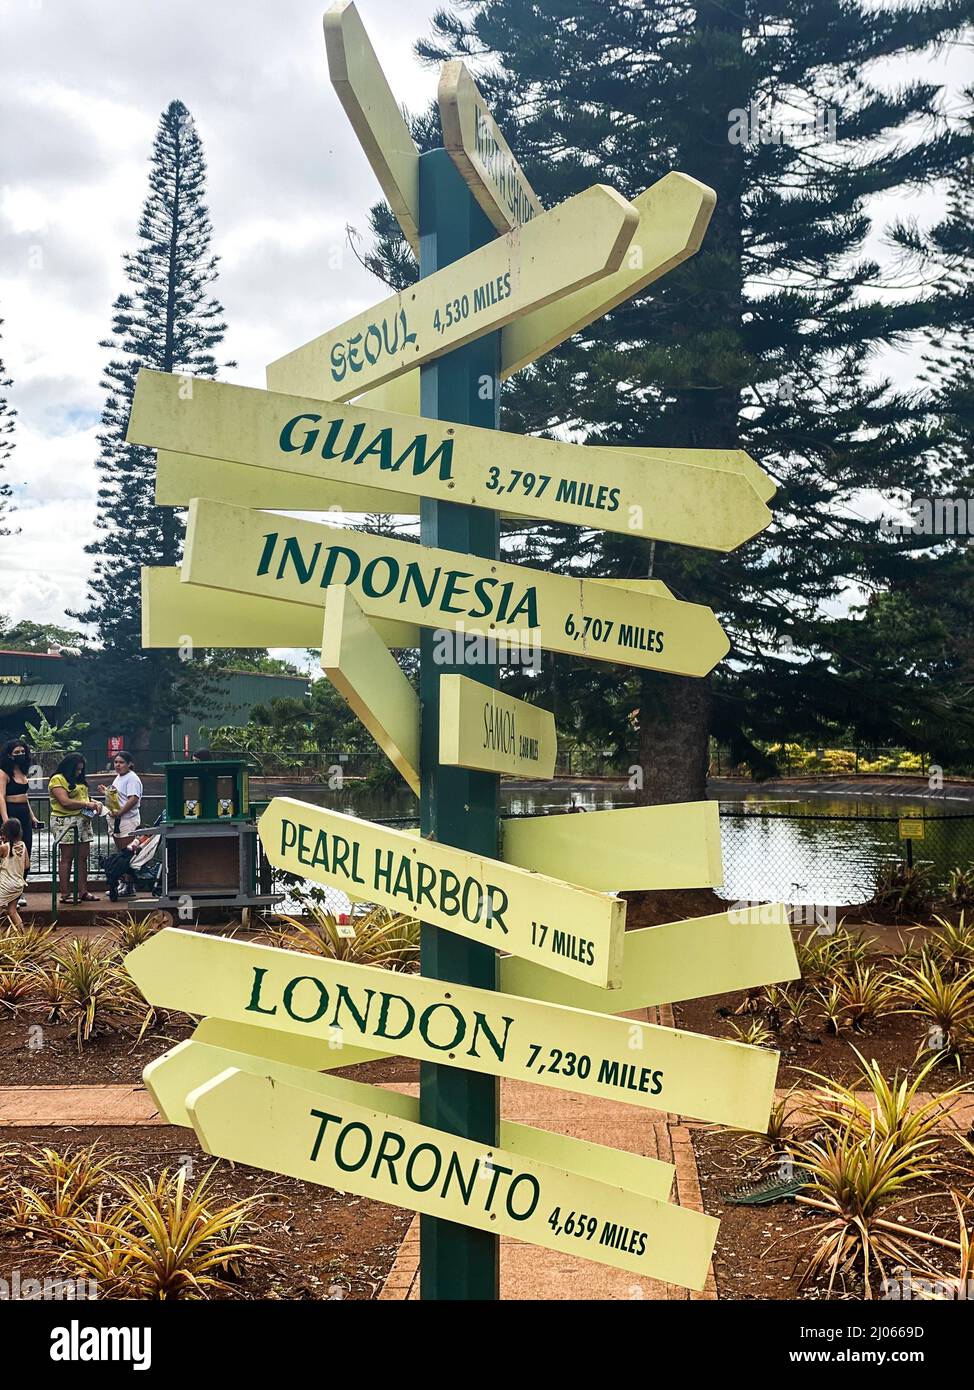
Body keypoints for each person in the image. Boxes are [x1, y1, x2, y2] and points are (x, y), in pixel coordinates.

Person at [48, 754, 102, 903]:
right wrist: (86, 805)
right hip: (65, 820)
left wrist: (93, 803)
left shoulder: (79, 781)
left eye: (81, 770)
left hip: (83, 820)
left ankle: (83, 891)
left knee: (82, 857)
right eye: (76, 770)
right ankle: (65, 893)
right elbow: (64, 801)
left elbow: (84, 798)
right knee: (67, 857)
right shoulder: (57, 779)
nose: (78, 773)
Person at [0, 738, 42, 908]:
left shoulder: (24, 772)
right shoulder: (3, 773)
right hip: (10, 813)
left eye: (22, 751)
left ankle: (19, 889)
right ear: (9, 755)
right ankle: (5, 892)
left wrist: (32, 817)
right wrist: (5, 820)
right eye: (16, 752)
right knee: (8, 852)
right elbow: (0, 797)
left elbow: (26, 798)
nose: (20, 755)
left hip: (23, 814)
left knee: (25, 852)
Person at [98, 750, 143, 852]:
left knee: (127, 852)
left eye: (121, 762)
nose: (118, 765)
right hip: (117, 819)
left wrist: (120, 812)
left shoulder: (132, 778)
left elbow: (133, 798)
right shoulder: (119, 777)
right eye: (116, 762)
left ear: (130, 764)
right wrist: (105, 791)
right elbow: (118, 795)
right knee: (122, 851)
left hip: (127, 820)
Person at [0, 818, 30, 928]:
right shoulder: (23, 845)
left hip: (5, 885)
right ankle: (23, 938)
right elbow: (27, 865)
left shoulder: (4, 847)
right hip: (18, 885)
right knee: (12, 911)